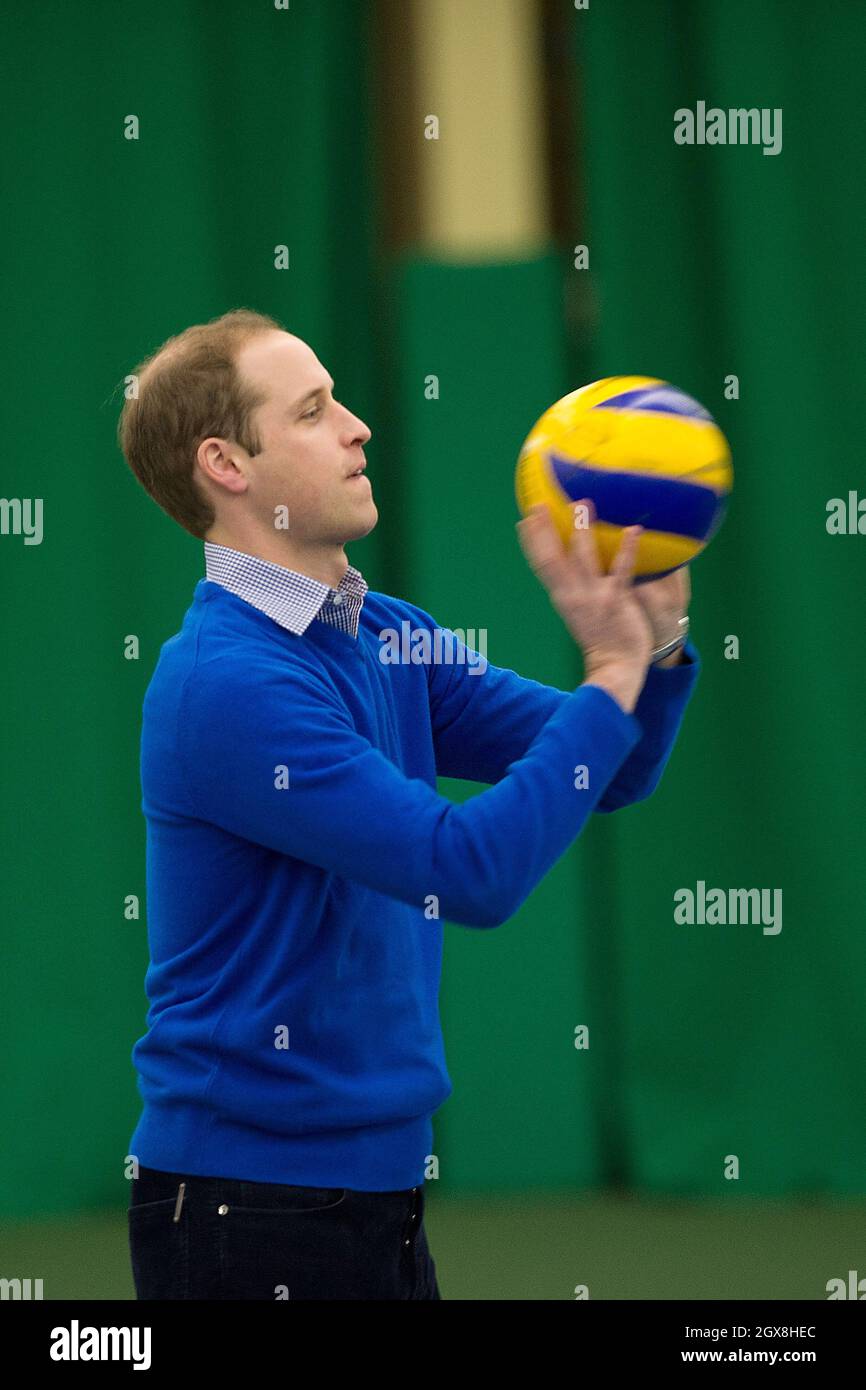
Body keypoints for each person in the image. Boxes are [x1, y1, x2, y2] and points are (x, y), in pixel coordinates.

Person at [117, 308, 699, 1301]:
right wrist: (607, 670)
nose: (358, 427)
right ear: (227, 464)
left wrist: (652, 647)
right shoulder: (227, 685)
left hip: (373, 1197)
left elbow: (616, 768)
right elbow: (465, 870)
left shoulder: (388, 632)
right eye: (312, 410)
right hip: (245, 1209)